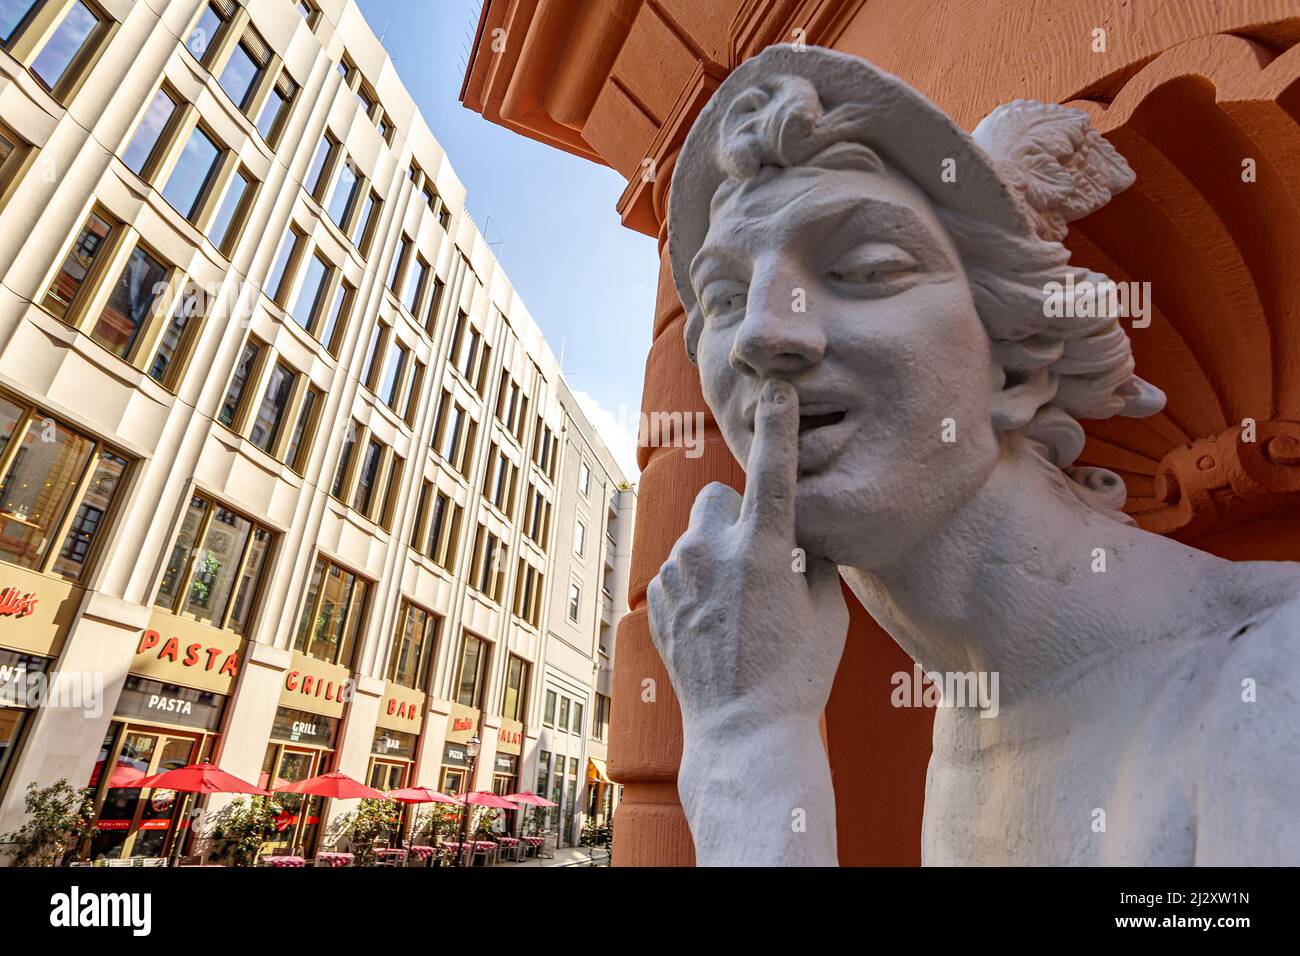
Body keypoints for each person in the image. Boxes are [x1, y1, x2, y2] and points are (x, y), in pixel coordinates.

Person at [649, 44, 1300, 866]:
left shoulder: (1274, 678)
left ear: (1017, 365)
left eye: (866, 267)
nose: (761, 335)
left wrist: (747, 743)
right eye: (724, 299)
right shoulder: (969, 728)